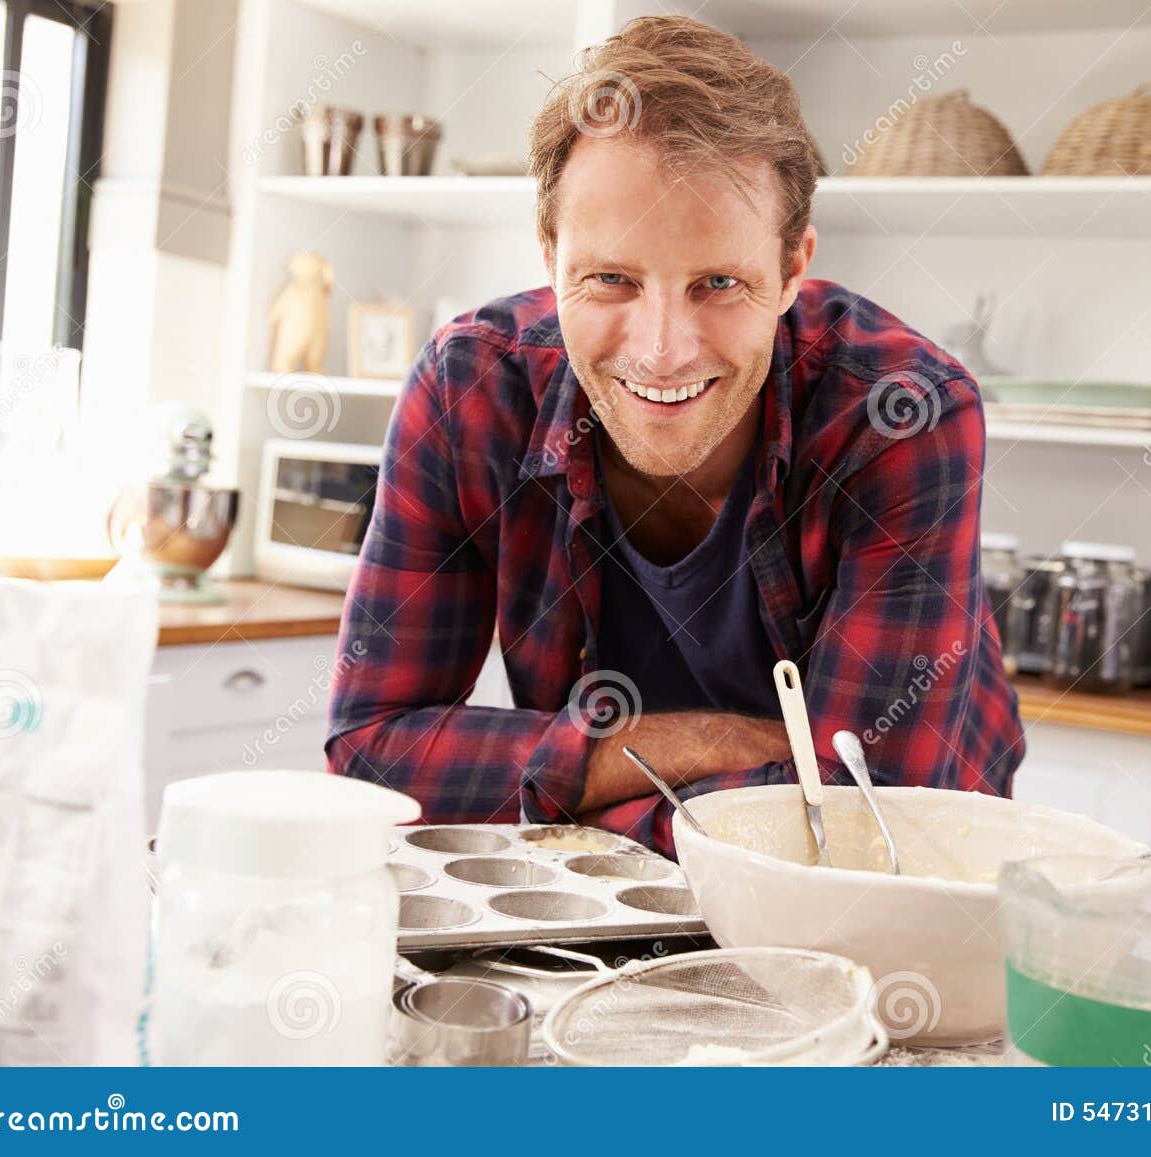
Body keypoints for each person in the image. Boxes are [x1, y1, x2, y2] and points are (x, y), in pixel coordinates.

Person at [327, 15, 1023, 854]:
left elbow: (863, 817)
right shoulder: (469, 389)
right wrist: (711, 744)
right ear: (550, 256)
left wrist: (565, 795)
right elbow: (371, 760)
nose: (662, 350)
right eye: (611, 278)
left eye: (719, 282)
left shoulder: (902, 412)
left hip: (908, 879)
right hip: (603, 899)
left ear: (792, 271)